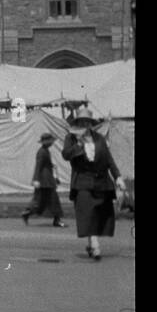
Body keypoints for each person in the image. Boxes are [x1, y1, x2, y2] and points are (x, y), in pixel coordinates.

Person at [62, 106, 125, 261]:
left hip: (101, 182)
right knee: (87, 213)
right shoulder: (70, 138)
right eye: (81, 122)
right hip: (82, 181)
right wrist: (79, 143)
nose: (85, 125)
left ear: (91, 124)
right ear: (77, 123)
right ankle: (95, 245)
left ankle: (91, 243)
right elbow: (66, 155)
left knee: (98, 214)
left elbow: (109, 159)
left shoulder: (99, 138)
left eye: (87, 122)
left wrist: (118, 177)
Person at [23, 132, 66, 227]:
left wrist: (52, 170)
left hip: (47, 180)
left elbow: (46, 165)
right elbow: (38, 166)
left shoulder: (45, 151)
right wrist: (36, 179)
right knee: (51, 200)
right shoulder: (42, 152)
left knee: (41, 201)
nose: (52, 143)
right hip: (44, 181)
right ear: (45, 142)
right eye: (50, 141)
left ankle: (27, 213)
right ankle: (56, 220)